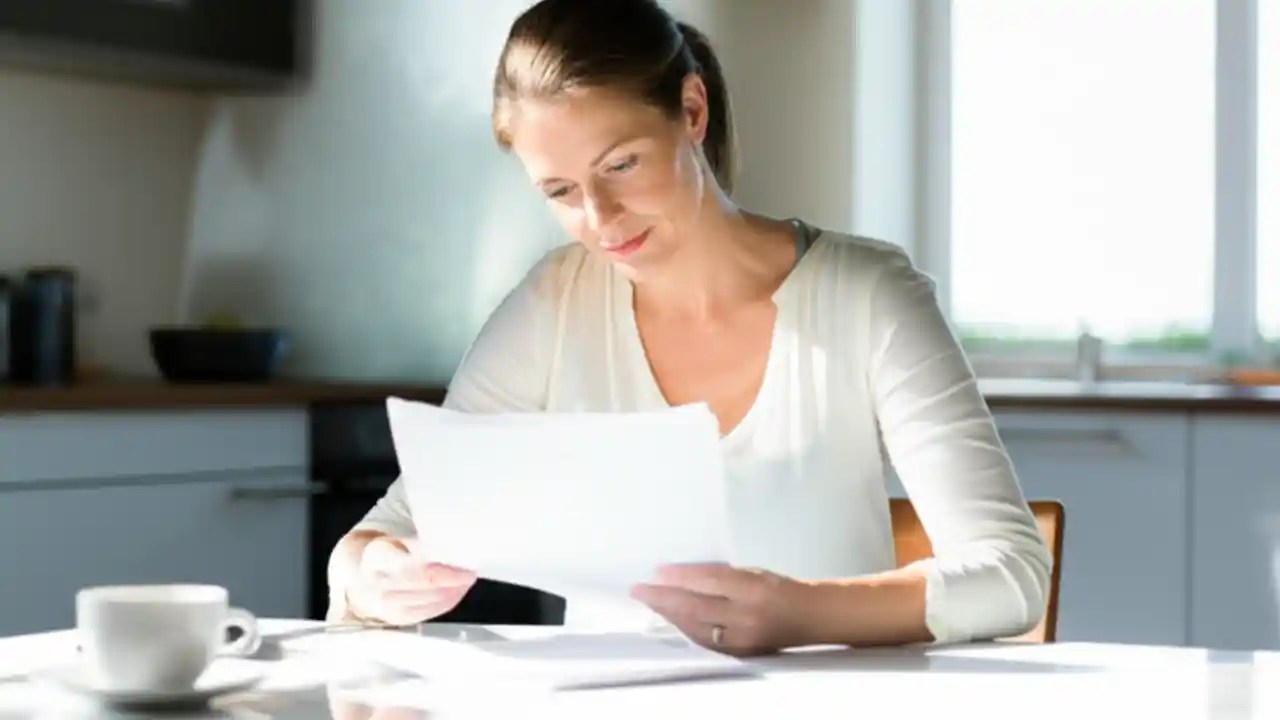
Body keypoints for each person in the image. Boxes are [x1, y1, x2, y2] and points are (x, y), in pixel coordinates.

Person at [326, 0, 1051, 656]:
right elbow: (388, 530)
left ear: (692, 110)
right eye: (560, 191)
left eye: (622, 163)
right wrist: (375, 578)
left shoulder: (867, 296)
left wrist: (801, 612)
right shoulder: (552, 305)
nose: (600, 217)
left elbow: (1012, 572)